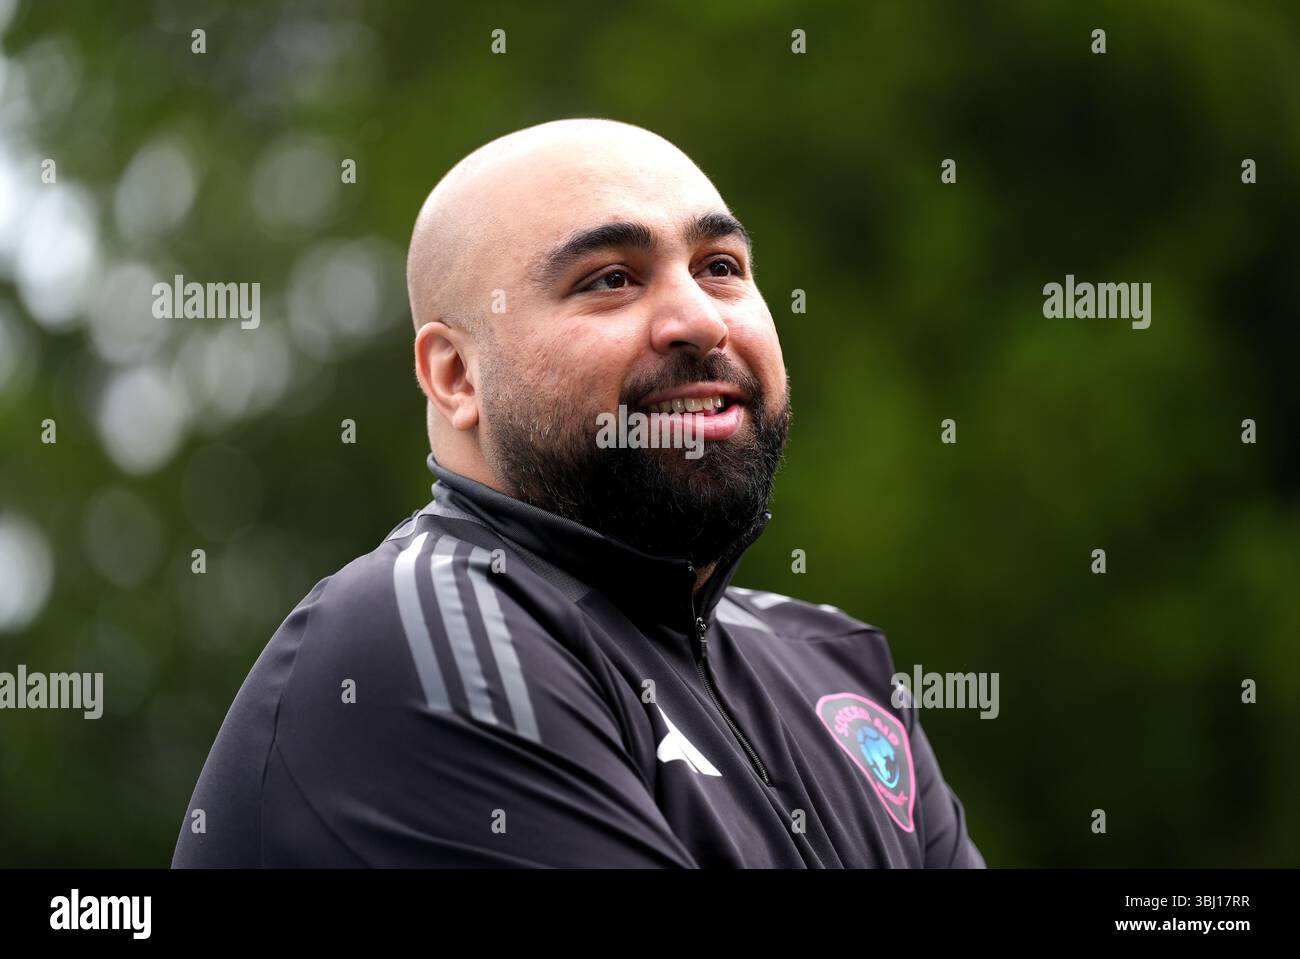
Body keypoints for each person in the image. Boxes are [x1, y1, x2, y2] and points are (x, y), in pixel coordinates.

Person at [172, 118, 984, 868]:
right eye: (611, 280)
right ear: (456, 376)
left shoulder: (836, 671)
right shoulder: (420, 635)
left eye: (721, 268)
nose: (700, 320)